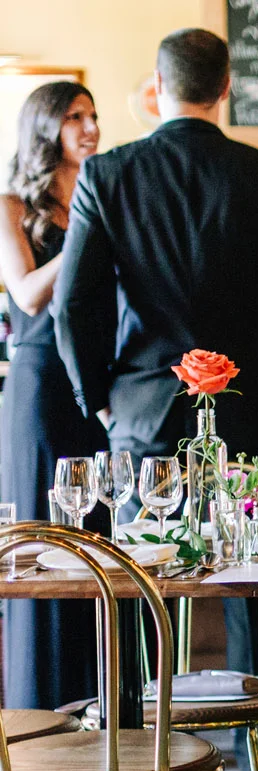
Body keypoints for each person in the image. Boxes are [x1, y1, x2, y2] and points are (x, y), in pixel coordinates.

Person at [53, 29, 258, 771]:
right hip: (244, 409)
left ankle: (143, 767)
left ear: (156, 87)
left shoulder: (109, 174)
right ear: (228, 85)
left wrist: (98, 399)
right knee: (255, 582)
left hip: (141, 410)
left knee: (142, 584)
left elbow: (76, 305)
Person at [0, 81, 109, 710]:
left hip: (96, 385)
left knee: (102, 547)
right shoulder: (12, 202)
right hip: (41, 384)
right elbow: (27, 293)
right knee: (46, 546)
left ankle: (106, 717)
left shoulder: (98, 195)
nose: (90, 127)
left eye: (93, 115)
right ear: (46, 127)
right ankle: (42, 720)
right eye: (74, 117)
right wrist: (89, 232)